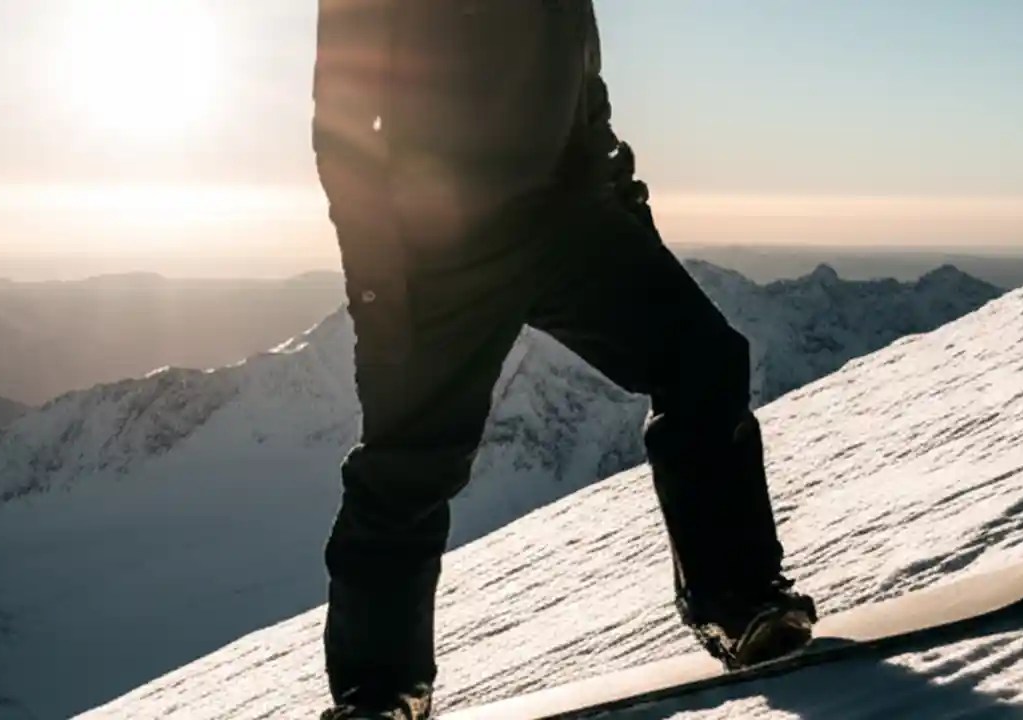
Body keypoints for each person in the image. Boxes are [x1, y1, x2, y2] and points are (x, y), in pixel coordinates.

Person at [312, 2, 815, 717]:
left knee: (702, 361)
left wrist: (621, 205)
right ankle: (379, 692)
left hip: (567, 221)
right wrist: (376, 279)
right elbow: (342, 125)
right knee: (408, 463)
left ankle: (738, 604)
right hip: (441, 248)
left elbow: (583, 85)